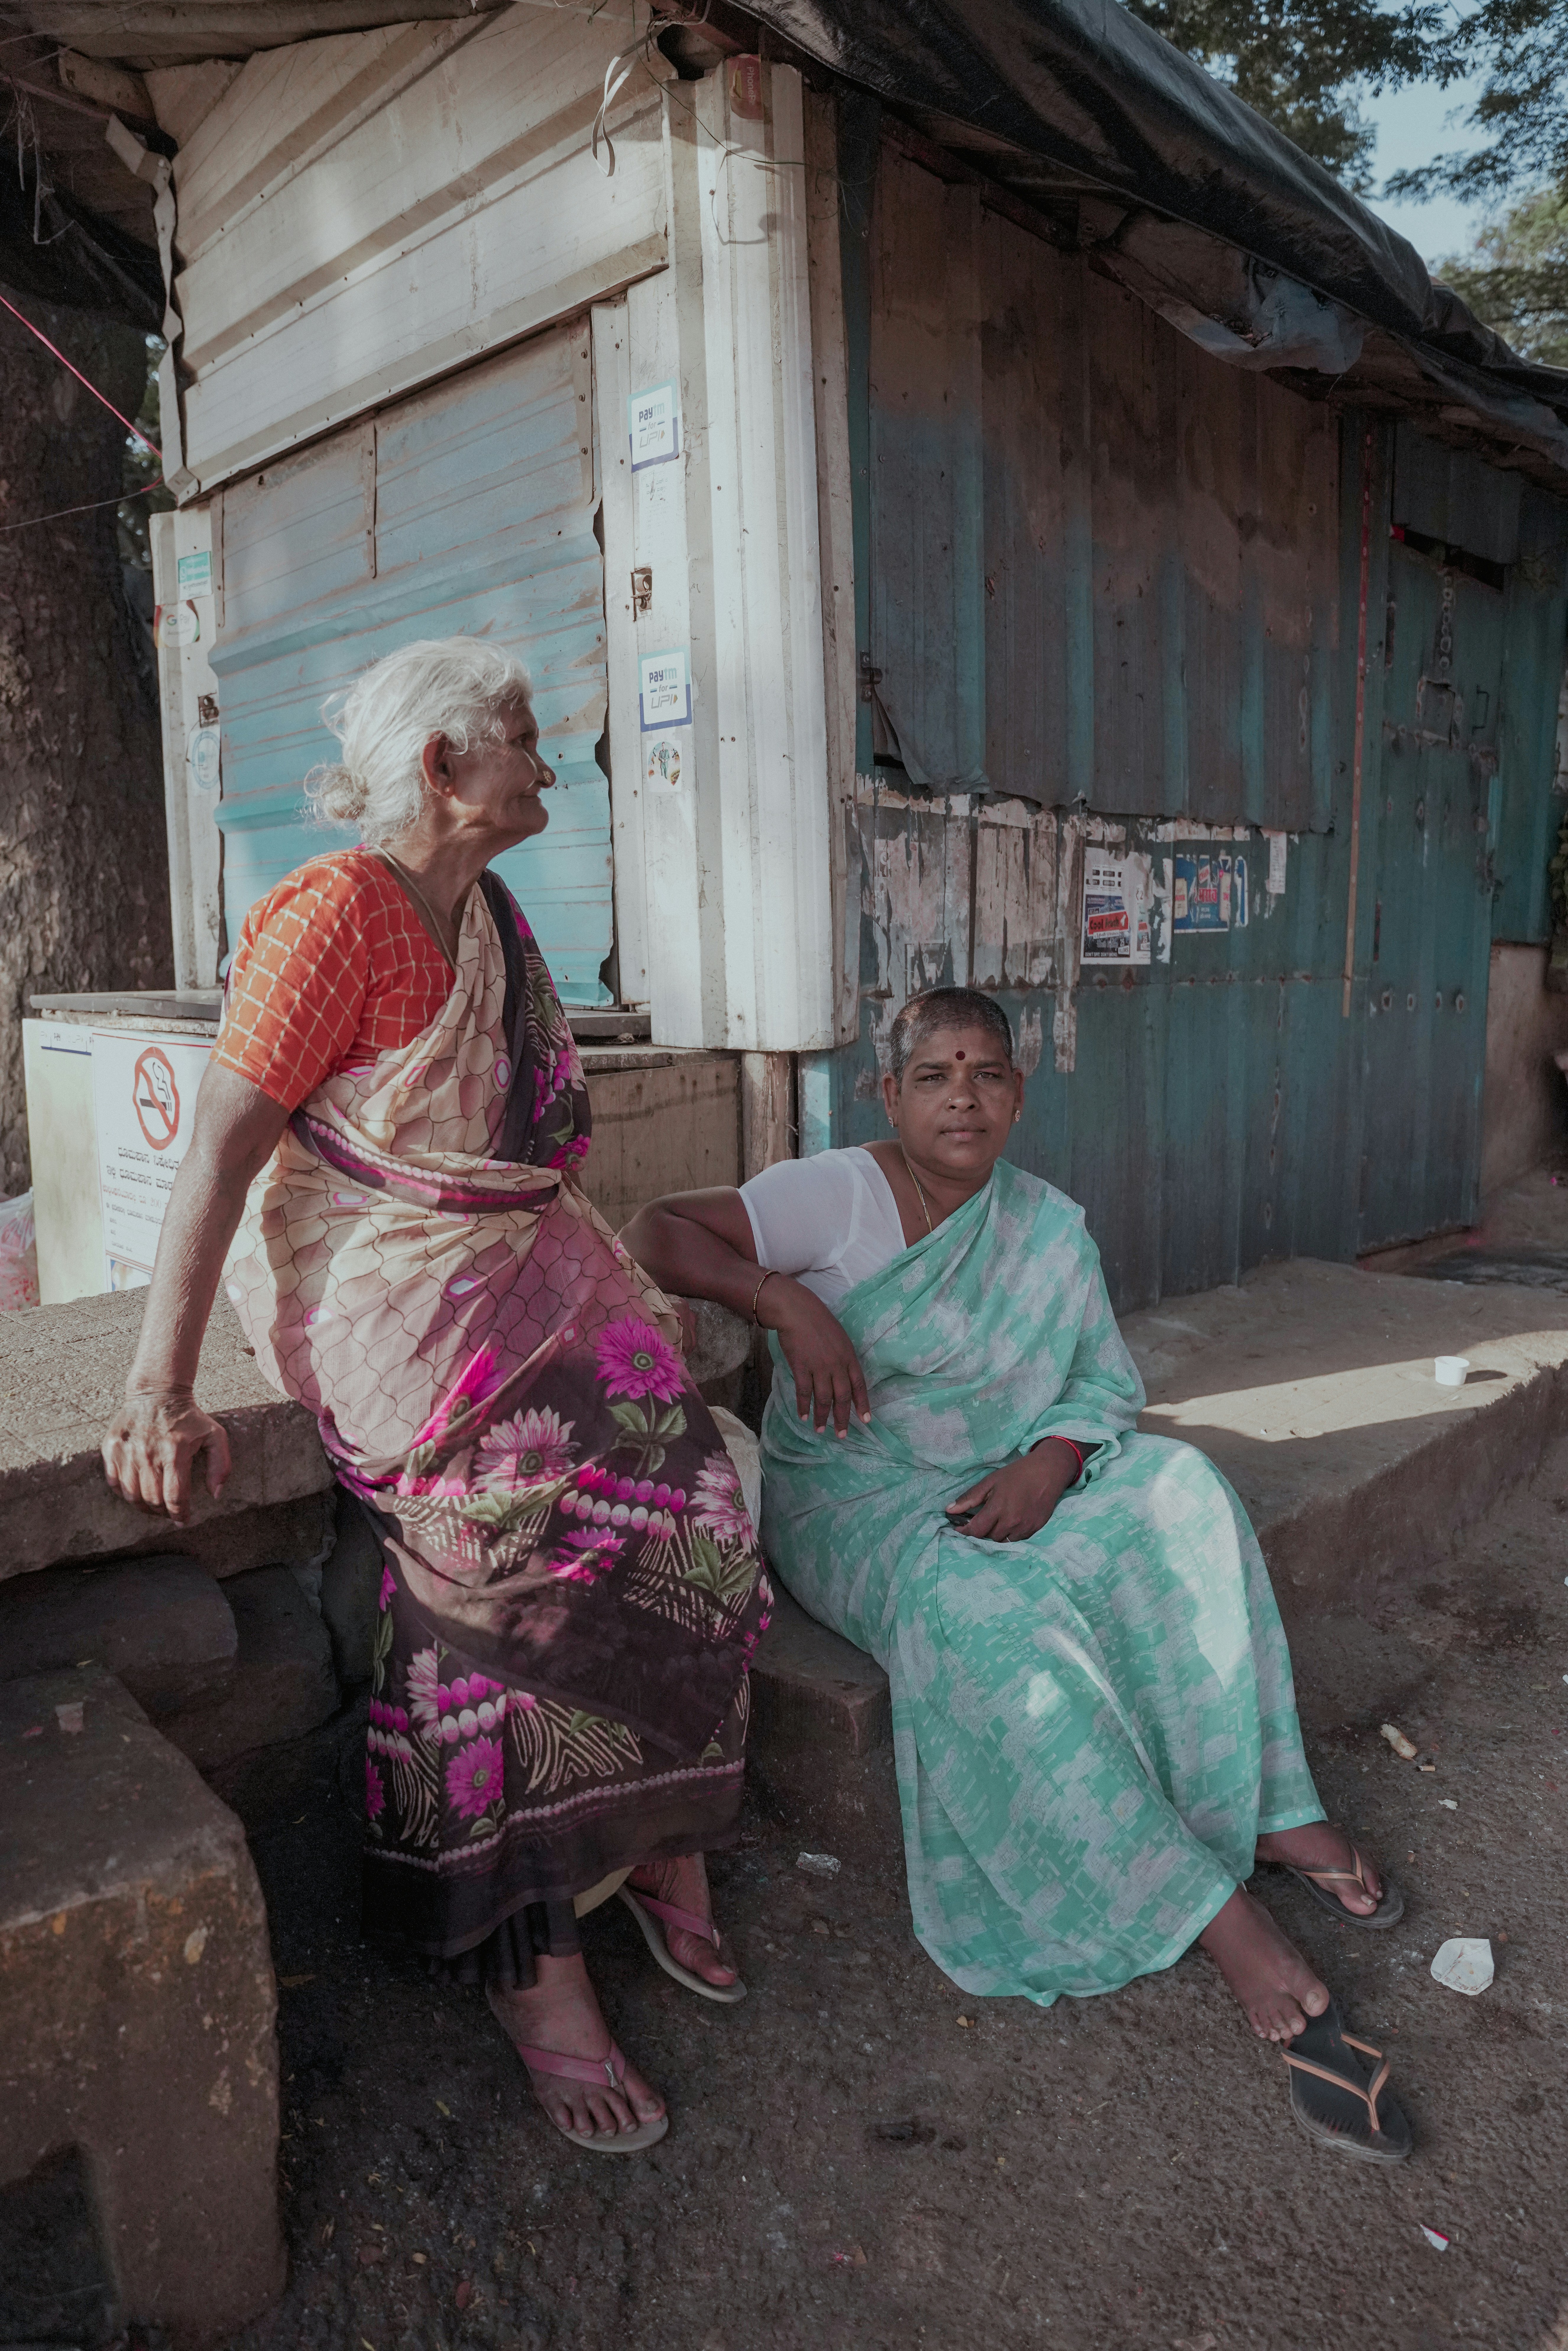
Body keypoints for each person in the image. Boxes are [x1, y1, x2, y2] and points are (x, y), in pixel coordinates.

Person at [102, 638, 769, 2156]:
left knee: (704, 1489)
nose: (551, 761)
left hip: (515, 1257)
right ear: (441, 766)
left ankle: (661, 1832)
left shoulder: (490, 912)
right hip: (380, 1287)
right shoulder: (336, 915)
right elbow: (216, 1150)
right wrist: (157, 1377)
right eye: (525, 739)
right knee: (513, 1536)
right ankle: (536, 1960)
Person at [622, 985, 1412, 2161]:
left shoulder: (1045, 1223)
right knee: (978, 1603)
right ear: (887, 1093)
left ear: (1019, 1095)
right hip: (863, 1499)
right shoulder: (835, 1192)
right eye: (934, 1074)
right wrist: (780, 1300)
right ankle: (1214, 1912)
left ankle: (1271, 1809)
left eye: (987, 1073)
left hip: (1012, 1471)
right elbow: (653, 1231)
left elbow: (1098, 1378)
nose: (962, 1096)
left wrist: (1050, 1464)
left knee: (1182, 1489)